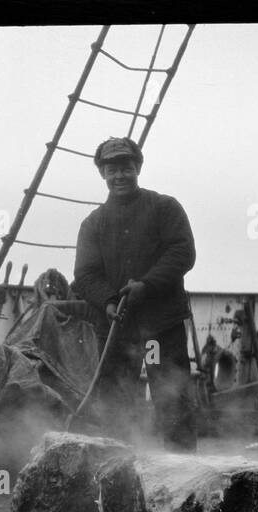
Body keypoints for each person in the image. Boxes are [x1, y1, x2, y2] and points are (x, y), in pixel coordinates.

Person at [71, 136, 198, 451]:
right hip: (117, 329)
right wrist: (108, 301)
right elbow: (84, 275)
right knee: (116, 404)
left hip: (160, 329)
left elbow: (183, 253)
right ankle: (119, 477)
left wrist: (147, 285)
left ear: (137, 168)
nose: (119, 176)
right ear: (102, 174)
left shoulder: (164, 208)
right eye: (111, 169)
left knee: (172, 400)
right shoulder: (93, 224)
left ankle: (183, 477)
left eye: (126, 167)